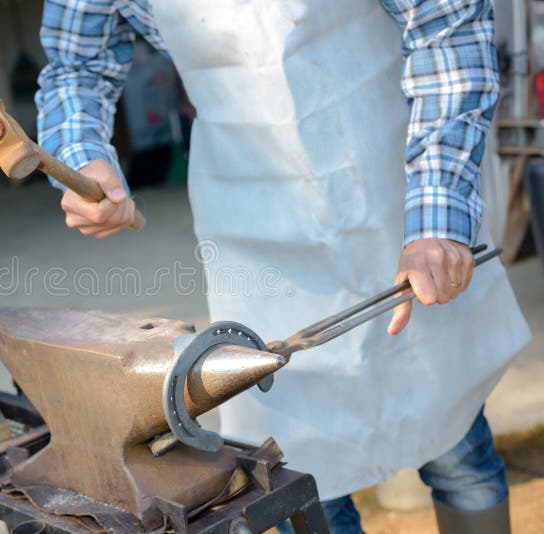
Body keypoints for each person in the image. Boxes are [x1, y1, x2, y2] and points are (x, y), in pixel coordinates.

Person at [35, 1, 531, 533]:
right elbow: (75, 67)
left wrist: (438, 217)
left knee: (456, 449)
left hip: (395, 191)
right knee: (305, 475)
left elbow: (447, 29)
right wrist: (82, 157)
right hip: (252, 217)